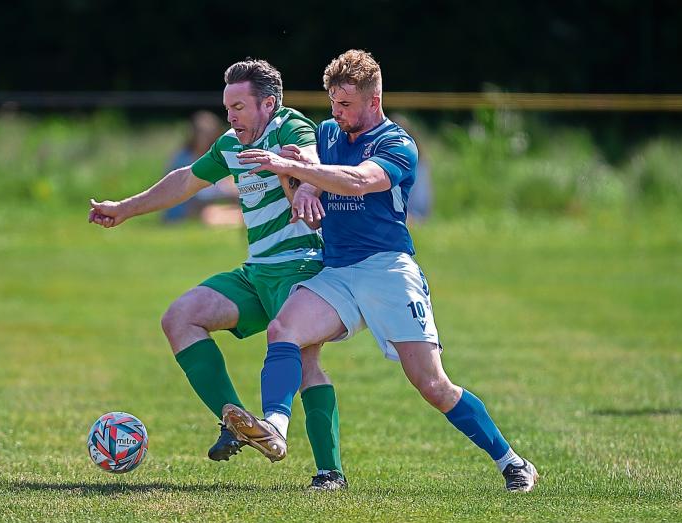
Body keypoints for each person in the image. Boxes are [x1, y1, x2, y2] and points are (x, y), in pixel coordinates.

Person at [223, 50, 538, 492]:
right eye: (332, 102)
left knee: (432, 384)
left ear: (374, 100)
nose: (336, 112)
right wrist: (304, 187)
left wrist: (292, 167)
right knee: (282, 330)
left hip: (388, 270)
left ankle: (512, 461)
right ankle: (274, 425)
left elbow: (358, 181)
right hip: (338, 270)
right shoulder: (328, 133)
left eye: (345, 104)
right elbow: (315, 173)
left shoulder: (397, 144)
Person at [88, 59, 345, 490]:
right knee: (180, 317)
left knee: (305, 361)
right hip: (257, 272)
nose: (231, 116)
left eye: (239, 107)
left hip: (301, 266)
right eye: (227, 108)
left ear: (268, 104)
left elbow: (313, 161)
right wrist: (124, 209)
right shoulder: (230, 144)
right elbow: (185, 181)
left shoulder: (290, 127)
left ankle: (329, 472)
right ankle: (237, 422)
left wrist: (306, 186)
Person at [161, 110, 242, 225]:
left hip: (202, 205)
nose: (206, 139)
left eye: (209, 134)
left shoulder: (215, 157)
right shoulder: (184, 159)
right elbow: (197, 192)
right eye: (202, 134)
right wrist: (227, 191)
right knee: (209, 213)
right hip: (183, 209)